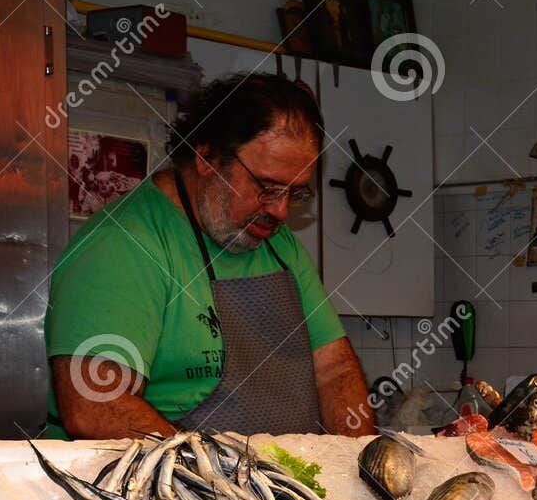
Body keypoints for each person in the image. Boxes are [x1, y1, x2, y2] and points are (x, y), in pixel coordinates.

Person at [44, 74, 373, 438]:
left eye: (294, 194)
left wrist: (351, 464)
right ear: (207, 157)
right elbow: (94, 407)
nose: (280, 211)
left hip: (267, 486)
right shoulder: (122, 246)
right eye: (266, 188)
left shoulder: (277, 244)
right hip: (162, 488)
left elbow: (334, 370)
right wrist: (215, 479)